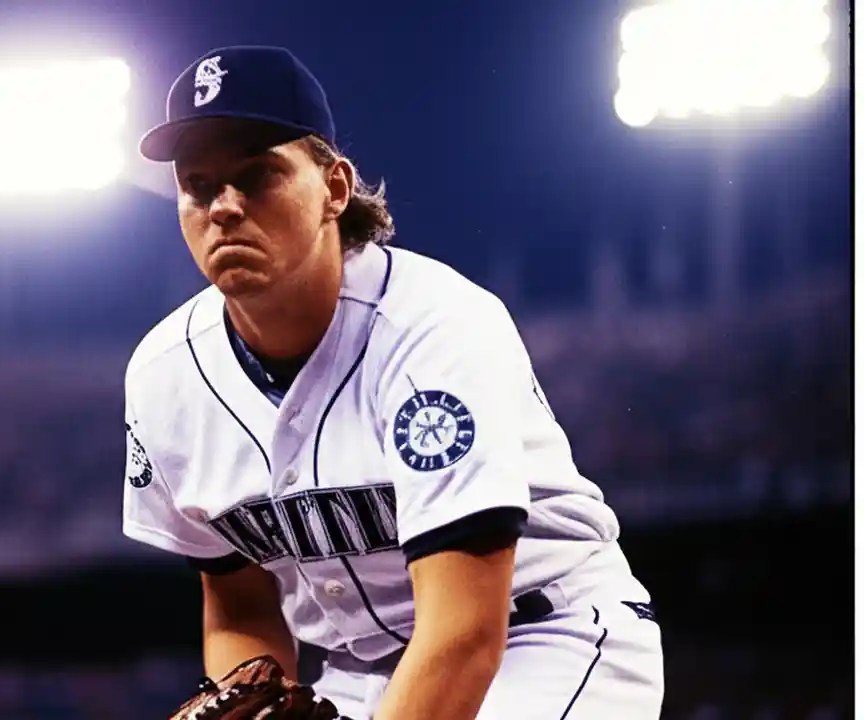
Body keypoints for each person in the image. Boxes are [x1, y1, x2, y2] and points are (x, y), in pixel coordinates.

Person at [121, 45, 664, 720]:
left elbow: (464, 632)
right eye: (199, 186)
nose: (225, 207)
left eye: (258, 176)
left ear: (335, 189)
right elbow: (238, 606)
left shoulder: (436, 328)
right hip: (354, 669)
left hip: (543, 638)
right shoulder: (164, 375)